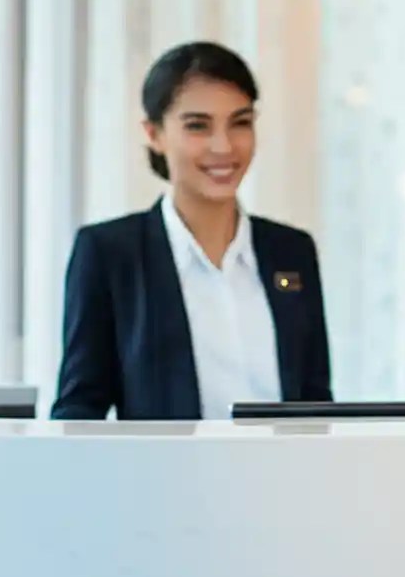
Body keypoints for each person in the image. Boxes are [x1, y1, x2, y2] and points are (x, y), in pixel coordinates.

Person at [51, 41, 333, 420]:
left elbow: (316, 403)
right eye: (197, 126)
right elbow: (79, 410)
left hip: (283, 477)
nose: (224, 146)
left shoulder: (291, 252)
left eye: (241, 123)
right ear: (154, 134)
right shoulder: (110, 254)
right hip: (164, 478)